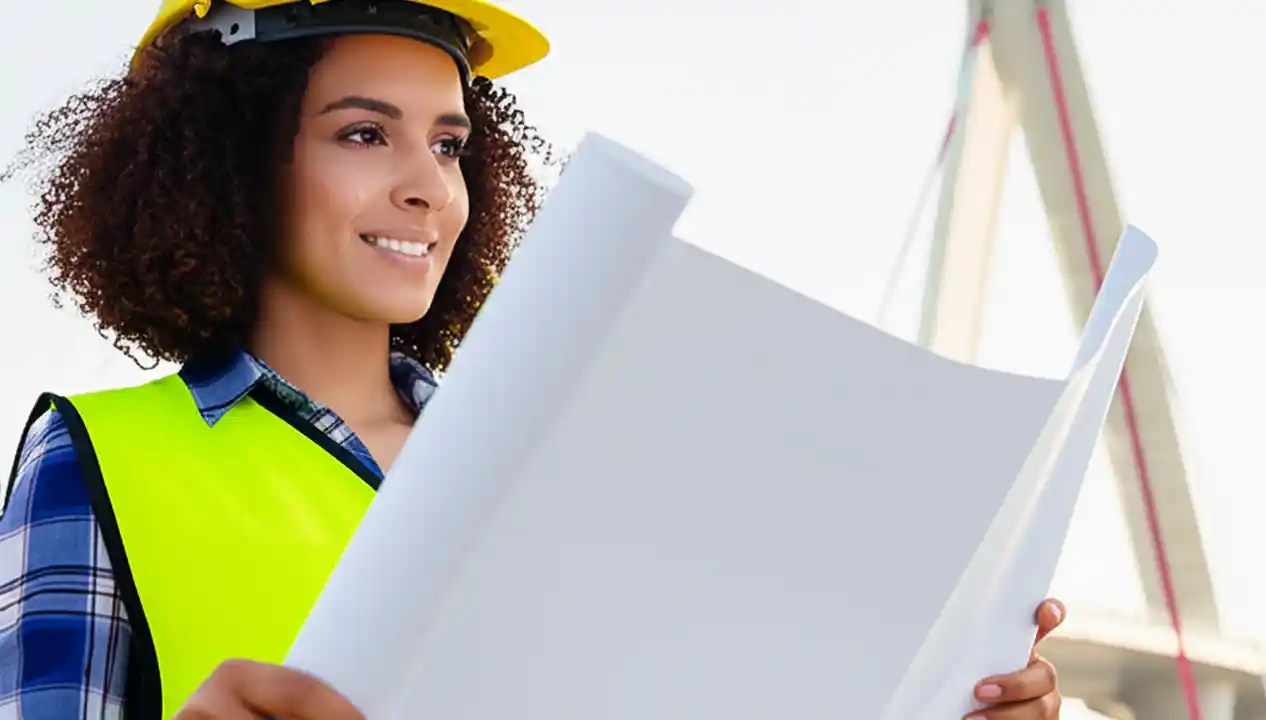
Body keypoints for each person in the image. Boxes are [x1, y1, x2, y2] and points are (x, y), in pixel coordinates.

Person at [0, 1, 1066, 718]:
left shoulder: (581, 462)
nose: (429, 187)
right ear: (230, 163)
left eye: (449, 143)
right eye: (364, 134)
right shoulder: (96, 456)